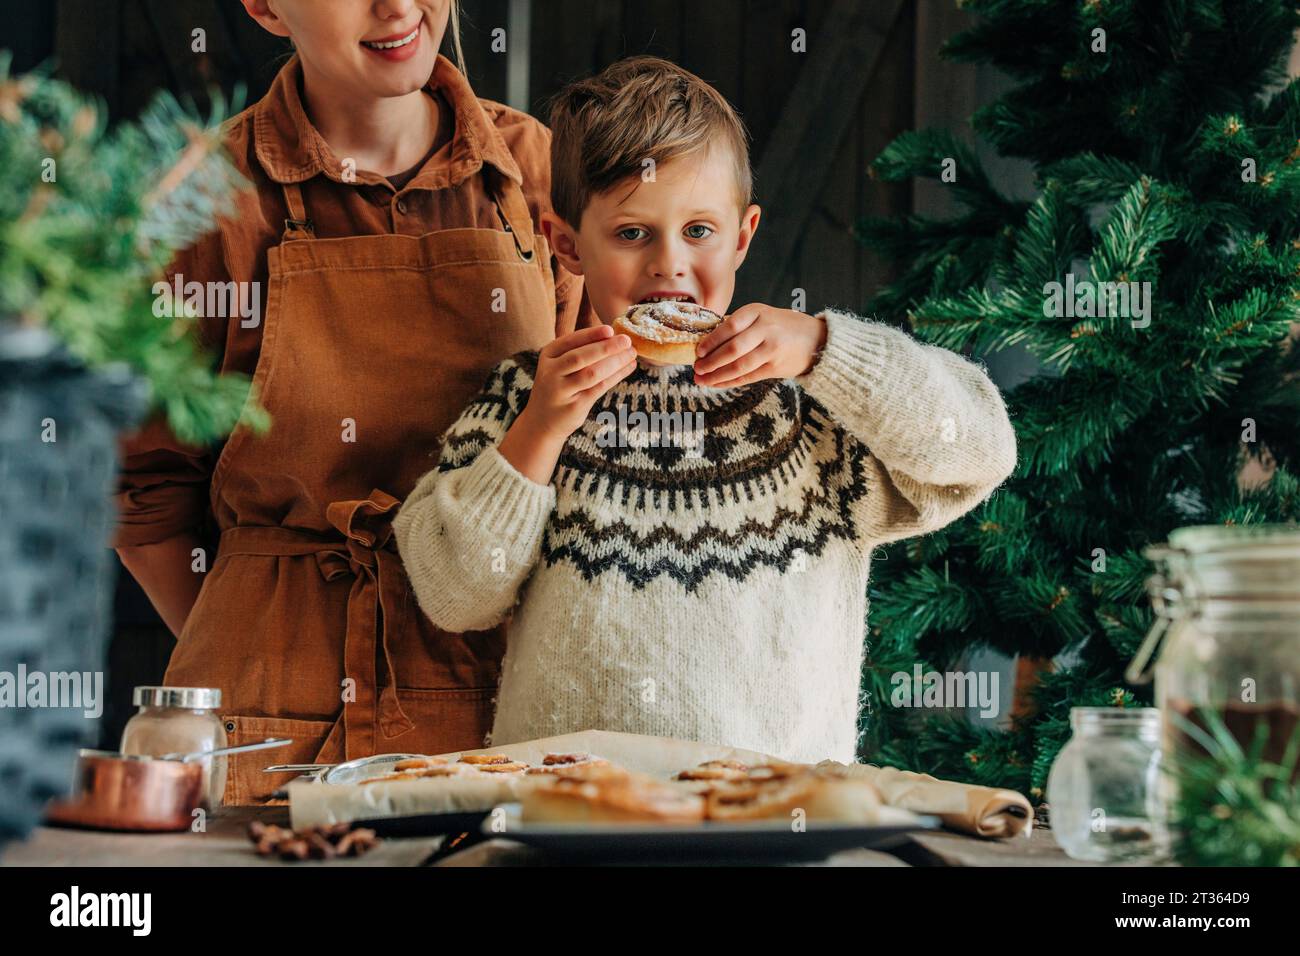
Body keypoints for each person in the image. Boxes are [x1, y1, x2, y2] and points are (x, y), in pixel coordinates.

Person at [392, 56, 1019, 764]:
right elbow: (454, 595)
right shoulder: (525, 398)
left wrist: (825, 349)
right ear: (567, 245)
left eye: (699, 231)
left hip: (771, 820)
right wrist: (538, 433)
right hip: (573, 821)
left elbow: (978, 451)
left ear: (743, 234)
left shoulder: (807, 413)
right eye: (633, 233)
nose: (669, 265)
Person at [113, 0, 594, 804]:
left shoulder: (538, 173)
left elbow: (609, 437)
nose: (398, 7)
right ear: (267, 7)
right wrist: (266, 630)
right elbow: (142, 495)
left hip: (505, 715)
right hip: (263, 727)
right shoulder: (202, 201)